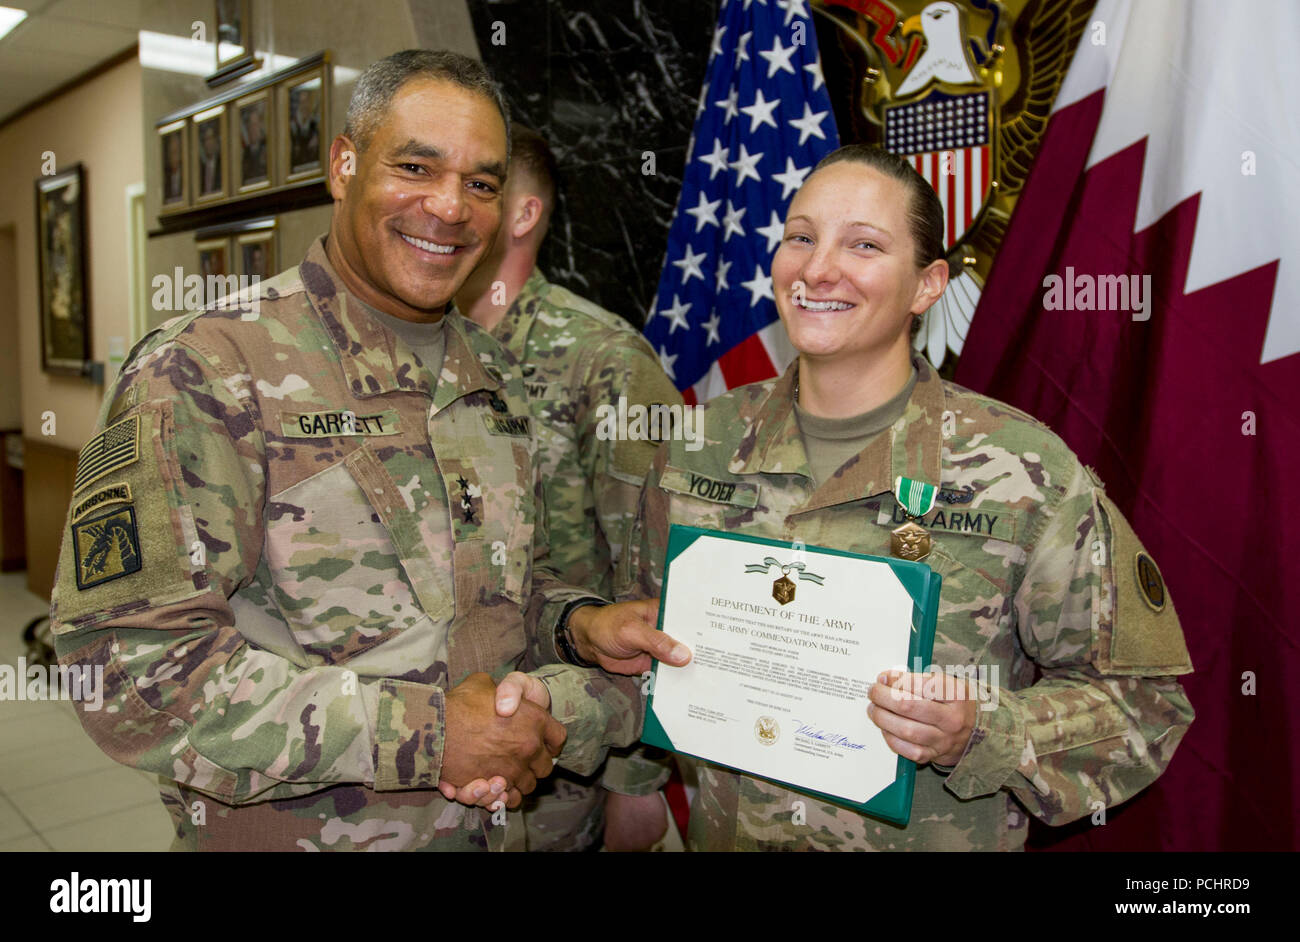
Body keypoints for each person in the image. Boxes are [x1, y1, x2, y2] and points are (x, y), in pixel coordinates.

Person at [48, 49, 681, 852]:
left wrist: (575, 625)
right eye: (416, 166)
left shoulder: (491, 374)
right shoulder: (205, 367)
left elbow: (485, 595)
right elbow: (128, 668)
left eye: (481, 183)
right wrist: (425, 736)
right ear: (344, 165)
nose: (450, 207)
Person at [608, 144, 1196, 850]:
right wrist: (631, 784)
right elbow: (641, 640)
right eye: (801, 236)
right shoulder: (697, 444)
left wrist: (982, 730)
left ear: (927, 285)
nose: (818, 268)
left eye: (864, 245)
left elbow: (1145, 707)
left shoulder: (1022, 471)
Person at [455, 126, 679, 852]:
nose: (445, 210)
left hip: (564, 750)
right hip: (449, 732)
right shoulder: (434, 349)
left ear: (521, 215)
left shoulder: (603, 358)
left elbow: (653, 573)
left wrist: (638, 779)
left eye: (475, 189)